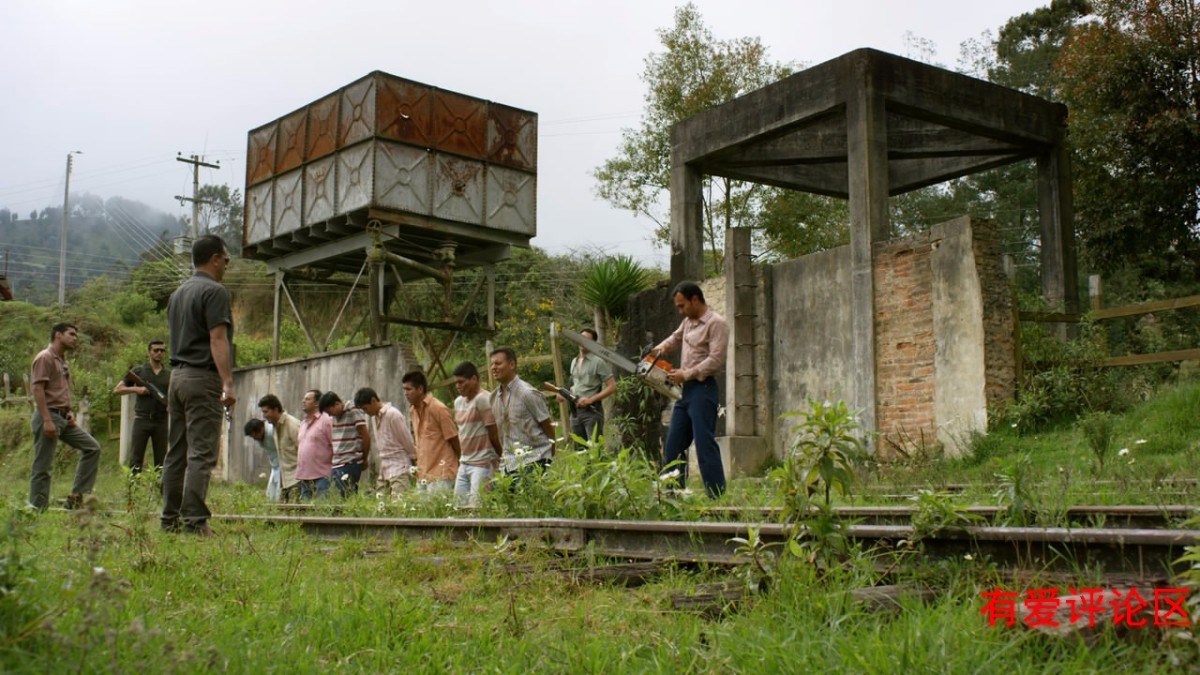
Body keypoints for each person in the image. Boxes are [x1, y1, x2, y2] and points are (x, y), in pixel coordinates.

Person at [161, 234, 236, 535]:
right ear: (215, 258)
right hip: (202, 378)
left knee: (176, 452)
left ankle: (169, 520)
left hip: (176, 378)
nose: (227, 265)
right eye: (226, 259)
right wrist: (227, 383)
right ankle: (194, 522)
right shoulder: (215, 291)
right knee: (201, 453)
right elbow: (217, 339)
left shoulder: (178, 294)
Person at [653, 281, 729, 498]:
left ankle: (716, 495)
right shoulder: (688, 322)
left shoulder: (716, 323)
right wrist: (660, 348)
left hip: (703, 389)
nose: (680, 311)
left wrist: (685, 374)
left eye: (682, 305)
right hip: (684, 392)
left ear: (695, 299)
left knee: (704, 443)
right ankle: (672, 494)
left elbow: (715, 360)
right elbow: (675, 338)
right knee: (673, 444)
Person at [28, 322, 101, 510]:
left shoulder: (62, 360)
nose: (75, 338)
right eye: (71, 334)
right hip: (48, 416)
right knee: (43, 466)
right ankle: (37, 510)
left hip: (63, 417)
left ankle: (75, 497)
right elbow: (37, 389)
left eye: (76, 335)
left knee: (92, 447)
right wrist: (46, 419)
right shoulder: (45, 357)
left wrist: (68, 412)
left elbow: (59, 390)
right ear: (58, 335)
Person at [488, 346, 556, 477]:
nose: (493, 367)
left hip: (534, 459)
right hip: (509, 463)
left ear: (512, 364)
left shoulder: (527, 393)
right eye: (491, 364)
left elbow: (546, 424)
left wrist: (550, 453)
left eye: (498, 363)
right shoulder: (493, 397)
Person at [112, 340, 172, 474]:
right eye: (156, 350)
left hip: (161, 420)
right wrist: (137, 389)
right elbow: (117, 389)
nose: (159, 353)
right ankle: (133, 486)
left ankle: (159, 486)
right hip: (142, 419)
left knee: (161, 460)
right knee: (135, 459)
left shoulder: (169, 374)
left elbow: (173, 396)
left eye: (162, 350)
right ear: (149, 352)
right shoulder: (139, 371)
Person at [402, 370, 461, 494]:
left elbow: (453, 438)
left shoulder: (438, 408)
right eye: (404, 390)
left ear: (420, 389)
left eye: (409, 389)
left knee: (440, 506)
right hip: (423, 473)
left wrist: (461, 464)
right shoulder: (412, 411)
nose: (405, 393)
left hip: (442, 472)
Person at [452, 361, 502, 507]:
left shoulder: (483, 399)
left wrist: (500, 458)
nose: (458, 386)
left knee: (478, 508)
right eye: (456, 383)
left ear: (474, 379)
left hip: (482, 463)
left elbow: (494, 433)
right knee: (458, 507)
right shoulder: (458, 402)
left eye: (461, 382)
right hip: (465, 462)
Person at [354, 387, 416, 499]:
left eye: (366, 408)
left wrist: (415, 460)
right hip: (385, 468)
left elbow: (406, 440)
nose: (366, 412)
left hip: (399, 466)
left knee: (399, 502)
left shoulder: (393, 414)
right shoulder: (374, 418)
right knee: (381, 502)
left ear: (373, 400)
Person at [561, 327, 616, 448]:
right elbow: (576, 384)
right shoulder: (574, 361)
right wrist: (565, 393)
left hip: (592, 411)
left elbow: (612, 386)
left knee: (595, 450)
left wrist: (590, 399)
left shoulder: (598, 362)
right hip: (575, 412)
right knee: (579, 451)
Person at [319, 391, 370, 497]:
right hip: (337, 462)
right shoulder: (334, 417)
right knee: (337, 496)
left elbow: (365, 435)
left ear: (337, 404)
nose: (330, 415)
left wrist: (364, 458)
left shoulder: (352, 410)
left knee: (346, 495)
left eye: (330, 411)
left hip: (350, 461)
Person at [259, 394, 301, 503]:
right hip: (284, 481)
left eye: (266, 412)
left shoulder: (292, 425)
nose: (264, 416)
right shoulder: (274, 426)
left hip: (297, 480)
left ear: (276, 409)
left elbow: (303, 452)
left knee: (296, 511)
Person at [296, 389, 333, 500]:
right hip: (304, 475)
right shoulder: (303, 423)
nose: (303, 401)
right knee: (304, 508)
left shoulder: (326, 420)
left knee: (321, 507)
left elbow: (334, 445)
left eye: (307, 399)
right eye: (304, 399)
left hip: (322, 475)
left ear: (317, 403)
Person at [244, 418, 281, 501]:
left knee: (280, 494)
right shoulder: (262, 437)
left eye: (254, 435)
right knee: (271, 495)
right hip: (275, 466)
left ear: (260, 429)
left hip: (284, 465)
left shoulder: (271, 431)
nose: (254, 438)